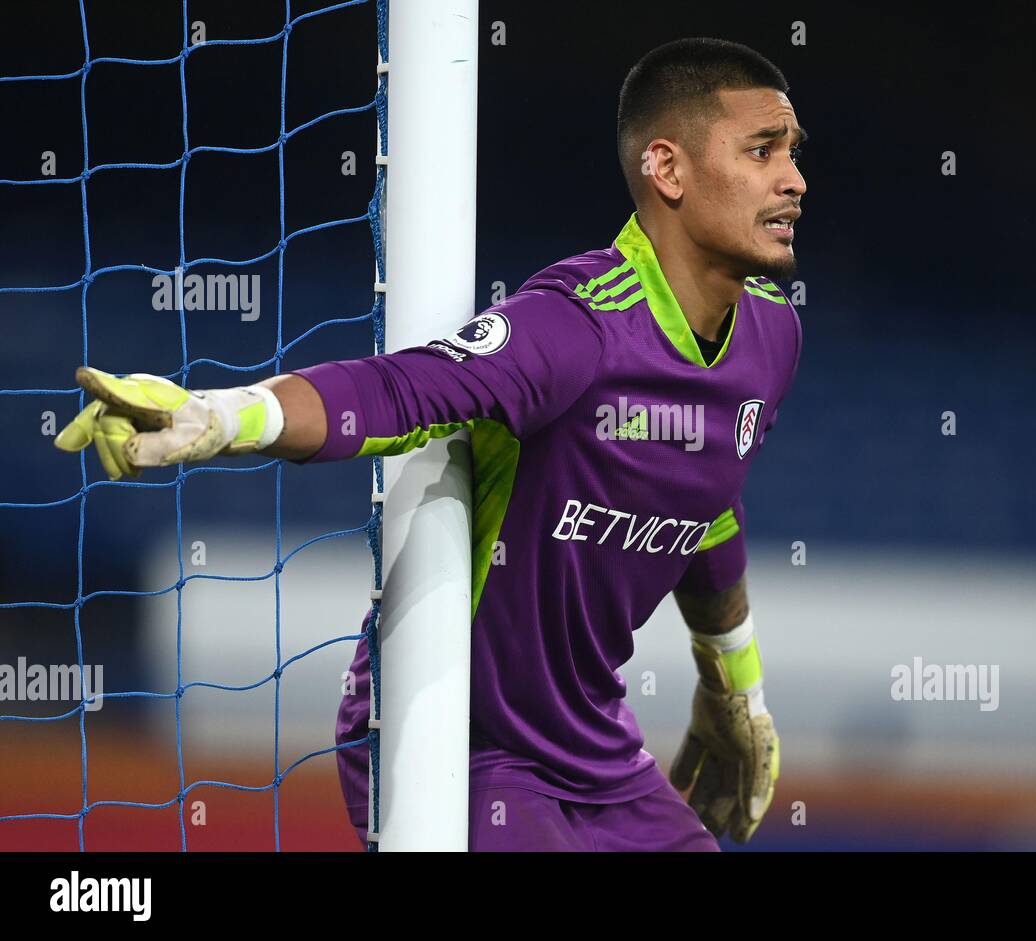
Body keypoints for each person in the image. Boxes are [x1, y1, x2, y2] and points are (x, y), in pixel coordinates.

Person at [53, 36, 806, 851]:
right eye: (762, 150)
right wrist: (219, 416)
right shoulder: (579, 324)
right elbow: (399, 389)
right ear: (669, 169)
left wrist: (737, 687)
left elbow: (708, 500)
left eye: (793, 152)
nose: (794, 179)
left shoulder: (773, 339)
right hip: (456, 735)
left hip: (595, 749)